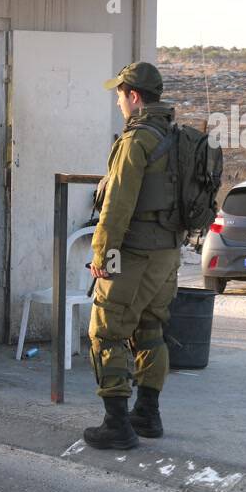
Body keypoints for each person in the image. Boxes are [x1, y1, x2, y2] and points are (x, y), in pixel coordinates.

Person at [84, 62, 183, 450]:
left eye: (120, 94)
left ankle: (117, 425)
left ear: (134, 96)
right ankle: (148, 414)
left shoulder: (136, 140)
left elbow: (116, 207)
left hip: (134, 254)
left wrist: (102, 255)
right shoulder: (174, 137)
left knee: (106, 331)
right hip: (168, 255)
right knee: (151, 328)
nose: (118, 102)